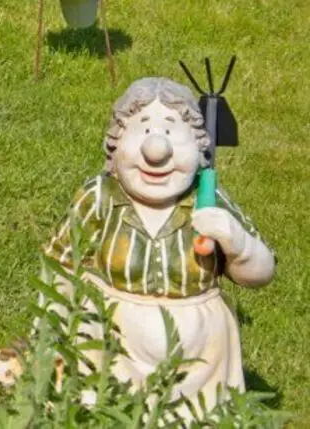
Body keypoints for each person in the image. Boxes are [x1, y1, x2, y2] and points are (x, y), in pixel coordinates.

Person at [41, 77, 275, 411]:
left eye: (170, 132)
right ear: (115, 142)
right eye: (144, 130)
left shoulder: (208, 201)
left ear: (198, 146)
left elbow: (261, 274)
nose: (157, 150)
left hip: (200, 364)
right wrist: (50, 328)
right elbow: (60, 264)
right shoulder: (100, 198)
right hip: (109, 352)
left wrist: (237, 243)